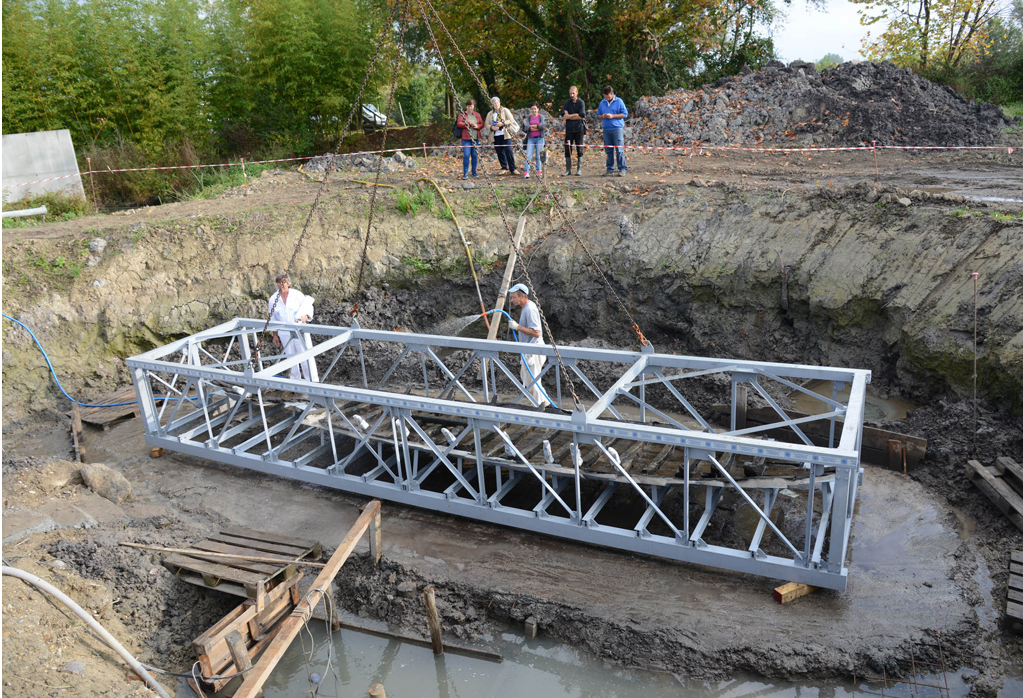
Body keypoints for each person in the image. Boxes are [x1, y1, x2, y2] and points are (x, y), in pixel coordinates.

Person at [505, 283, 551, 408]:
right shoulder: (526, 308)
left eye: (514, 297)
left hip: (534, 350)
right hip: (530, 349)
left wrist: (517, 327)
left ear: (522, 296)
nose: (512, 300)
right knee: (529, 381)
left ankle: (540, 410)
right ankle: (545, 405)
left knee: (533, 384)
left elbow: (536, 333)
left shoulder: (530, 308)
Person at [268, 271, 315, 381]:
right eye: (279, 283)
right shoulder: (273, 299)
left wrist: (306, 317)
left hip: (299, 330)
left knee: (305, 356)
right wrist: (274, 335)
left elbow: (308, 307)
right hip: (284, 333)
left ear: (288, 283)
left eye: (283, 282)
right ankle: (295, 381)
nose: (281, 285)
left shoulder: (297, 295)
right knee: (290, 357)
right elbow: (273, 319)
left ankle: (311, 380)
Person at [597, 86, 628, 176]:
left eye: (609, 97)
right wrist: (603, 116)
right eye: (606, 97)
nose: (607, 98)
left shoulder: (619, 101)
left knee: (619, 149)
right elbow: (598, 115)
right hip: (606, 129)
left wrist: (613, 116)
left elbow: (624, 114)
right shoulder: (602, 103)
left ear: (612, 94)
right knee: (608, 150)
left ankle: (622, 168)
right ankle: (610, 169)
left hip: (617, 128)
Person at [484, 96, 519, 175]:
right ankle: (503, 167)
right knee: (499, 151)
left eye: (497, 103)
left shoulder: (505, 110)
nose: (496, 104)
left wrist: (502, 124)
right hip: (496, 135)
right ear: (492, 104)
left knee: (508, 150)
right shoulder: (490, 114)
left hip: (505, 134)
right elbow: (486, 124)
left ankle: (513, 168)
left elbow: (511, 120)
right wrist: (492, 127)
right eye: (494, 103)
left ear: (499, 103)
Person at [561, 85, 586, 177]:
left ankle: (579, 169)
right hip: (569, 129)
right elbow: (564, 115)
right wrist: (575, 115)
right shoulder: (567, 103)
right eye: (570, 93)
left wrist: (569, 116)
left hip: (579, 129)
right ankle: (568, 169)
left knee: (579, 148)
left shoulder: (581, 103)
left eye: (573, 93)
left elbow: (582, 115)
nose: (572, 95)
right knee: (567, 148)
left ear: (577, 93)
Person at [455, 99, 483, 180]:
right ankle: (465, 173)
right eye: (468, 106)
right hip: (466, 138)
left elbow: (481, 123)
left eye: (471, 106)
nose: (470, 108)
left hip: (475, 138)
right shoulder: (462, 115)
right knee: (466, 155)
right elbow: (459, 124)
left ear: (473, 106)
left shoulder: (477, 115)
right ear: (466, 106)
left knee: (474, 155)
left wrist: (477, 126)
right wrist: (468, 124)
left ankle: (474, 172)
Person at [523, 102, 545, 178]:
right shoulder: (529, 118)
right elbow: (527, 127)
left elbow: (543, 125)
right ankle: (526, 171)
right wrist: (537, 126)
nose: (533, 110)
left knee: (539, 155)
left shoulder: (541, 117)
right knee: (528, 155)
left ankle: (539, 170)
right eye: (532, 109)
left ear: (538, 109)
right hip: (531, 139)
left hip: (540, 138)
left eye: (535, 109)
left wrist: (534, 126)